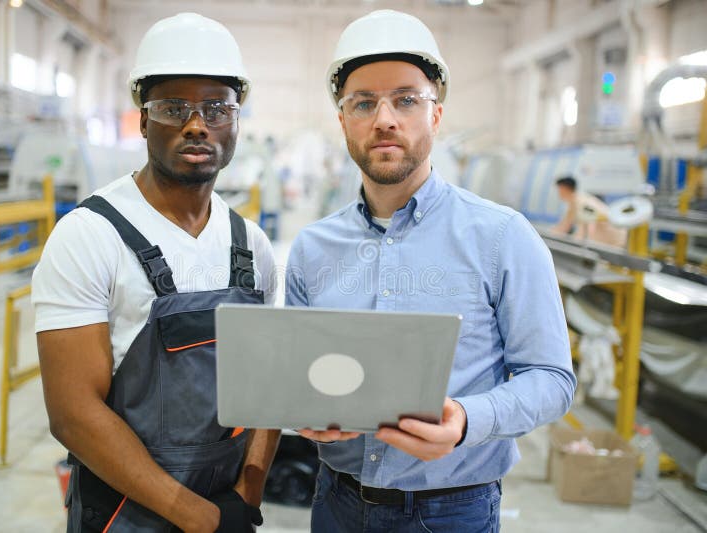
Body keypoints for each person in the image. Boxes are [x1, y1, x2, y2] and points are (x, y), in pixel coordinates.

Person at [285, 10, 576, 532]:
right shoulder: (312, 249)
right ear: (343, 121)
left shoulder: (502, 237)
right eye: (363, 102)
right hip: (336, 502)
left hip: (452, 511)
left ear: (436, 116)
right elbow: (305, 378)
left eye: (406, 99)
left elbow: (551, 379)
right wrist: (307, 415)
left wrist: (467, 420)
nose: (385, 119)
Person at [32, 13, 279, 533]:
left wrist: (247, 493)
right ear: (143, 120)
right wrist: (195, 516)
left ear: (236, 121)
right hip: (125, 510)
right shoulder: (89, 235)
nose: (197, 124)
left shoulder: (251, 245)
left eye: (217, 108)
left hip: (227, 507)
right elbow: (74, 412)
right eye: (173, 108)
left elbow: (267, 388)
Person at [552, 176, 627, 247]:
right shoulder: (574, 202)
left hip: (616, 242)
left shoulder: (582, 202)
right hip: (609, 243)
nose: (558, 193)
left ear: (564, 188)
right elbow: (564, 226)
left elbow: (588, 228)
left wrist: (575, 245)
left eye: (559, 189)